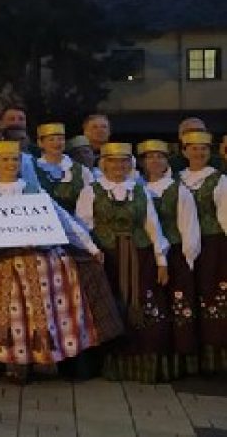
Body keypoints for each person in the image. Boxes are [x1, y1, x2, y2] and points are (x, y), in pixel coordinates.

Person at [0, 140, 109, 384]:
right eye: (5, 159)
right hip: (4, 262)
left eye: (14, 159)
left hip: (35, 260)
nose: (10, 164)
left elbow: (64, 219)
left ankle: (42, 358)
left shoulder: (33, 189)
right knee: (9, 313)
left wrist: (90, 246)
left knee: (38, 311)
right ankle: (16, 364)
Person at [76, 142, 171, 383]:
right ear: (103, 163)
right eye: (113, 161)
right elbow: (81, 226)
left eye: (124, 161)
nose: (119, 166)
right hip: (106, 257)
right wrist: (93, 250)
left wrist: (162, 260)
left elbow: (152, 225)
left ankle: (143, 366)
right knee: (111, 305)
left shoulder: (140, 190)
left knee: (142, 305)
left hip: (140, 256)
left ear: (131, 164)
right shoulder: (91, 190)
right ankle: (112, 365)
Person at [137, 139, 201, 377]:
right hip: (147, 255)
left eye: (160, 156)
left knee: (178, 305)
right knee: (155, 306)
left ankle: (180, 362)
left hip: (174, 252)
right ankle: (156, 357)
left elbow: (189, 225)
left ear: (167, 160)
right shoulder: (137, 187)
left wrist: (188, 258)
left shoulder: (178, 189)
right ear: (143, 162)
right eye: (150, 157)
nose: (155, 161)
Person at [177, 130, 227, 372]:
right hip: (183, 247)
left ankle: (214, 358)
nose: (199, 152)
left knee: (211, 295)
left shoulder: (219, 180)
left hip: (213, 246)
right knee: (187, 295)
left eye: (204, 148)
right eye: (194, 148)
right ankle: (190, 355)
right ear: (184, 151)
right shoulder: (177, 179)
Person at [34, 123, 94, 214]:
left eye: (60, 139)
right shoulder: (33, 168)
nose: (56, 143)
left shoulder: (81, 170)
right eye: (51, 140)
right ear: (40, 143)